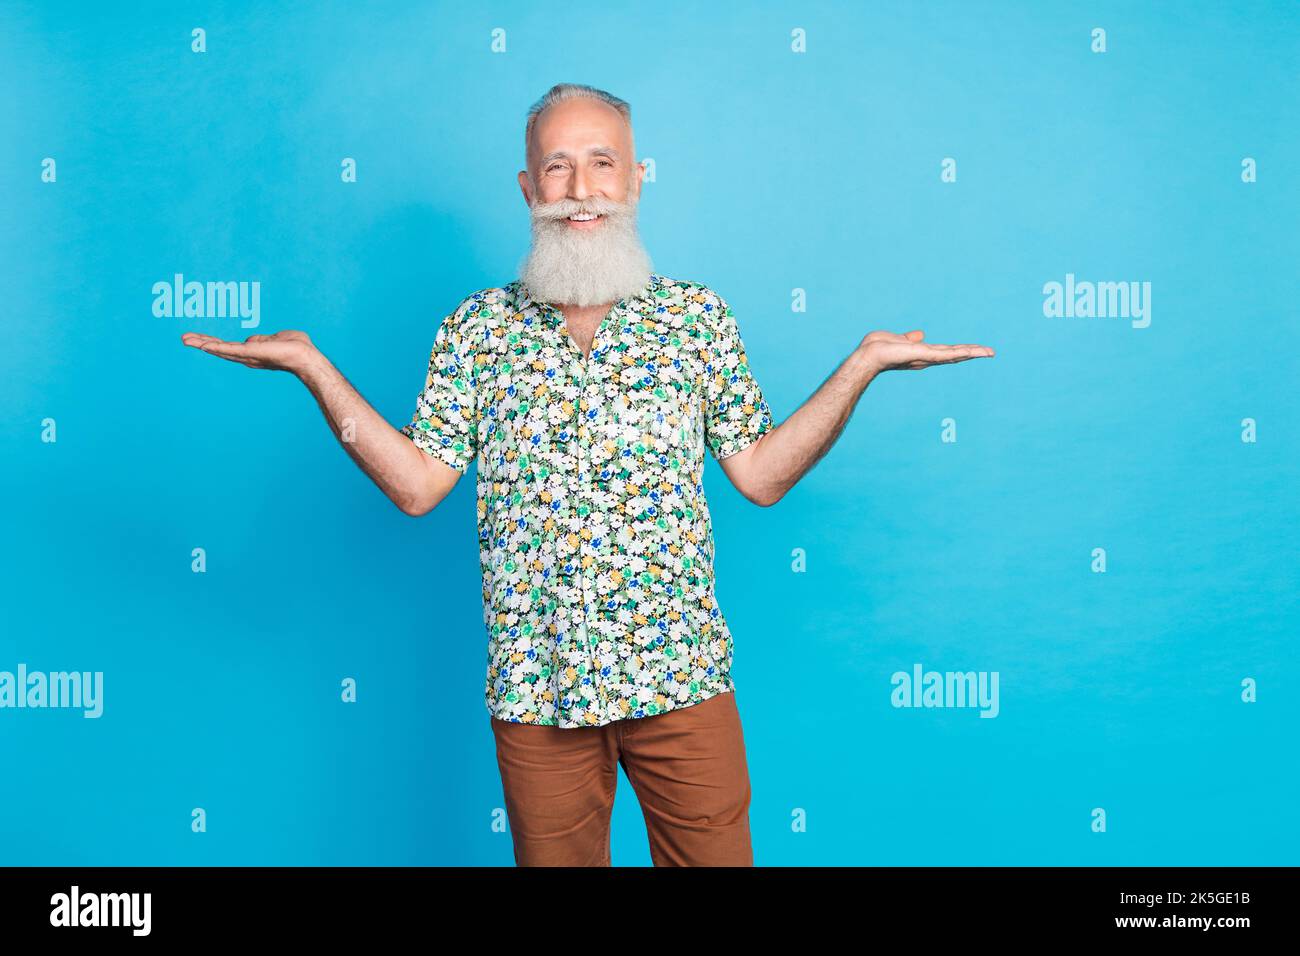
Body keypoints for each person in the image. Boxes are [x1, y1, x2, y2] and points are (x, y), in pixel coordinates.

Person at [181, 82, 995, 866]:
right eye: (559, 166)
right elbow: (419, 484)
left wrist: (862, 366)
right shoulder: (476, 328)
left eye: (603, 163)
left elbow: (760, 474)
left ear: (637, 179)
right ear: (528, 185)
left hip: (682, 679)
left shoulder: (694, 318)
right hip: (538, 692)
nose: (582, 189)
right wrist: (313, 369)